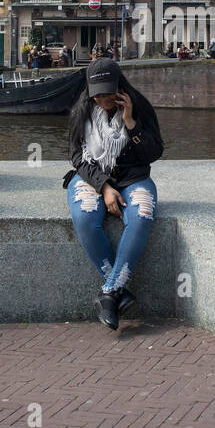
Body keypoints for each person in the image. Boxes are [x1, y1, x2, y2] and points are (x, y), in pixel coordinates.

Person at [64, 57, 164, 331]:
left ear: (120, 86)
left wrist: (130, 123)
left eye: (107, 92)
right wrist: (104, 186)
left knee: (142, 215)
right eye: (96, 94)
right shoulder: (81, 111)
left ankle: (109, 292)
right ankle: (118, 290)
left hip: (134, 177)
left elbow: (154, 153)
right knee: (85, 217)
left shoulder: (139, 106)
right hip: (92, 175)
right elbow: (77, 158)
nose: (101, 99)